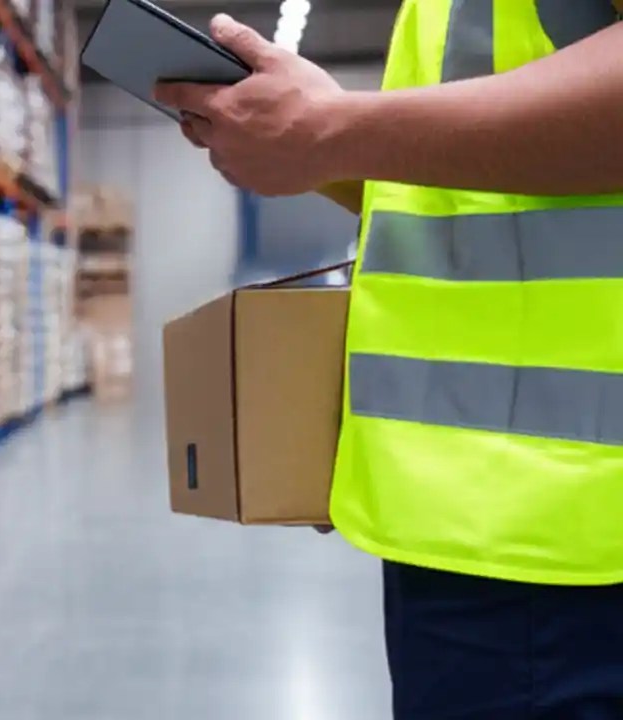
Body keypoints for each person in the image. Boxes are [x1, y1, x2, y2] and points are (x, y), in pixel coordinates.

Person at [155, 3, 623, 719]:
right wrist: (327, 145)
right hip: (477, 521)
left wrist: (337, 129)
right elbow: (474, 203)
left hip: (562, 536)